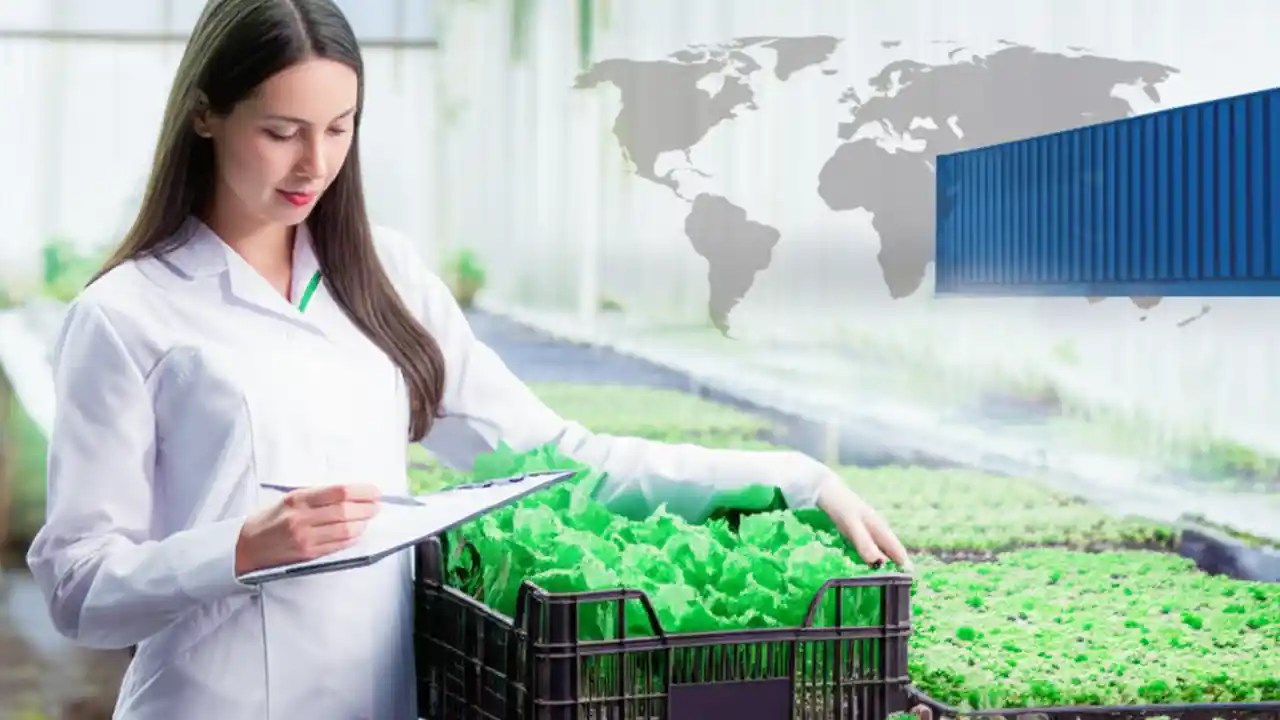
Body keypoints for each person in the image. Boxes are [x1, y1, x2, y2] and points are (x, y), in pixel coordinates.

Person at [25, 1, 911, 718]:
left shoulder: (385, 275)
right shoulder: (127, 313)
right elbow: (76, 584)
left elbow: (558, 460)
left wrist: (787, 477)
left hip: (387, 697)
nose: (316, 163)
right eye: (282, 130)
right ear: (207, 113)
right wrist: (242, 549)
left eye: (340, 128)